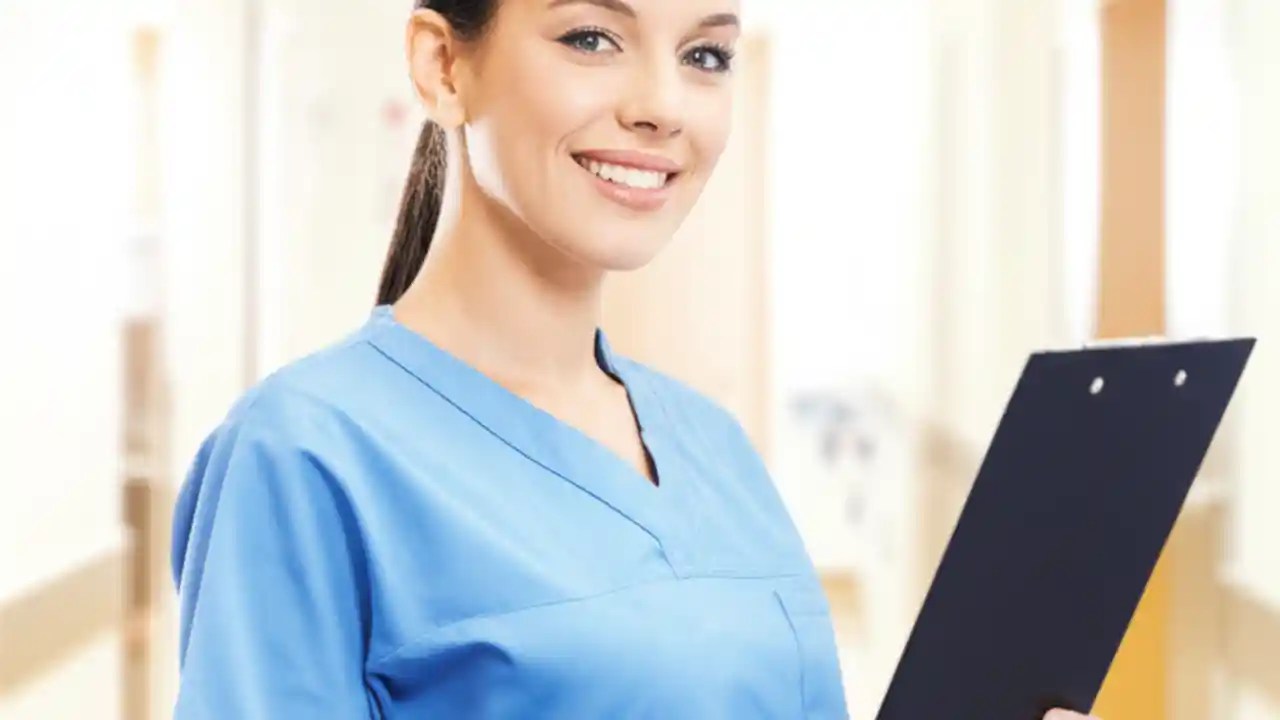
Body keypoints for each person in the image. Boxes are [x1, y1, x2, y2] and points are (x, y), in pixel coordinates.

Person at [169, 1, 1103, 718]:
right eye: (590, 37)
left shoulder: (713, 446)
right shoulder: (302, 455)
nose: (661, 107)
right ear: (443, 64)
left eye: (706, 56)